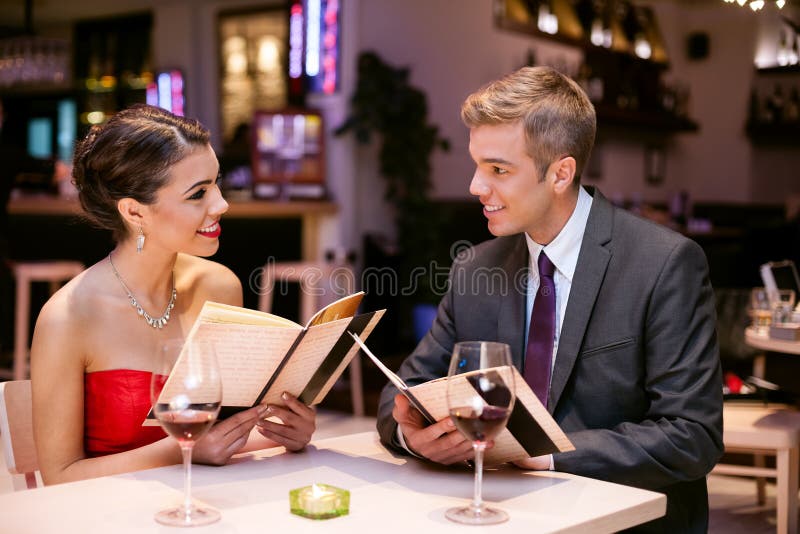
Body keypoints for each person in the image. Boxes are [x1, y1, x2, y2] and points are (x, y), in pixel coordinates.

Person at [377, 66, 723, 532]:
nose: (476, 186)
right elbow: (400, 393)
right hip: (496, 514)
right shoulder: (475, 267)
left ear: (561, 174)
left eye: (498, 169)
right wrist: (414, 438)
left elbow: (692, 435)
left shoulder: (664, 264)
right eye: (477, 165)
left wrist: (549, 455)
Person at [30, 104, 316, 485]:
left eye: (216, 183)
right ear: (134, 212)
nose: (221, 204)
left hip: (211, 503)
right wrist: (178, 449)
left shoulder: (219, 288)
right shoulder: (68, 317)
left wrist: (286, 434)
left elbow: (225, 437)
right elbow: (59, 476)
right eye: (198, 194)